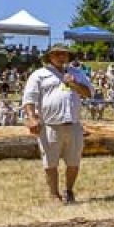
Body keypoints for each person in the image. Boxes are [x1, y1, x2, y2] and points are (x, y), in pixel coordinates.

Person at [22, 44, 94, 205]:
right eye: (57, 54)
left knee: (74, 162)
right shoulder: (39, 74)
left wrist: (74, 84)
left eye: (64, 54)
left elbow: (89, 93)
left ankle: (69, 191)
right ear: (50, 57)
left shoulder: (77, 73)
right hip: (49, 125)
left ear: (68, 57)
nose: (61, 57)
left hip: (73, 124)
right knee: (50, 162)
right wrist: (32, 118)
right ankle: (54, 195)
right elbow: (29, 99)